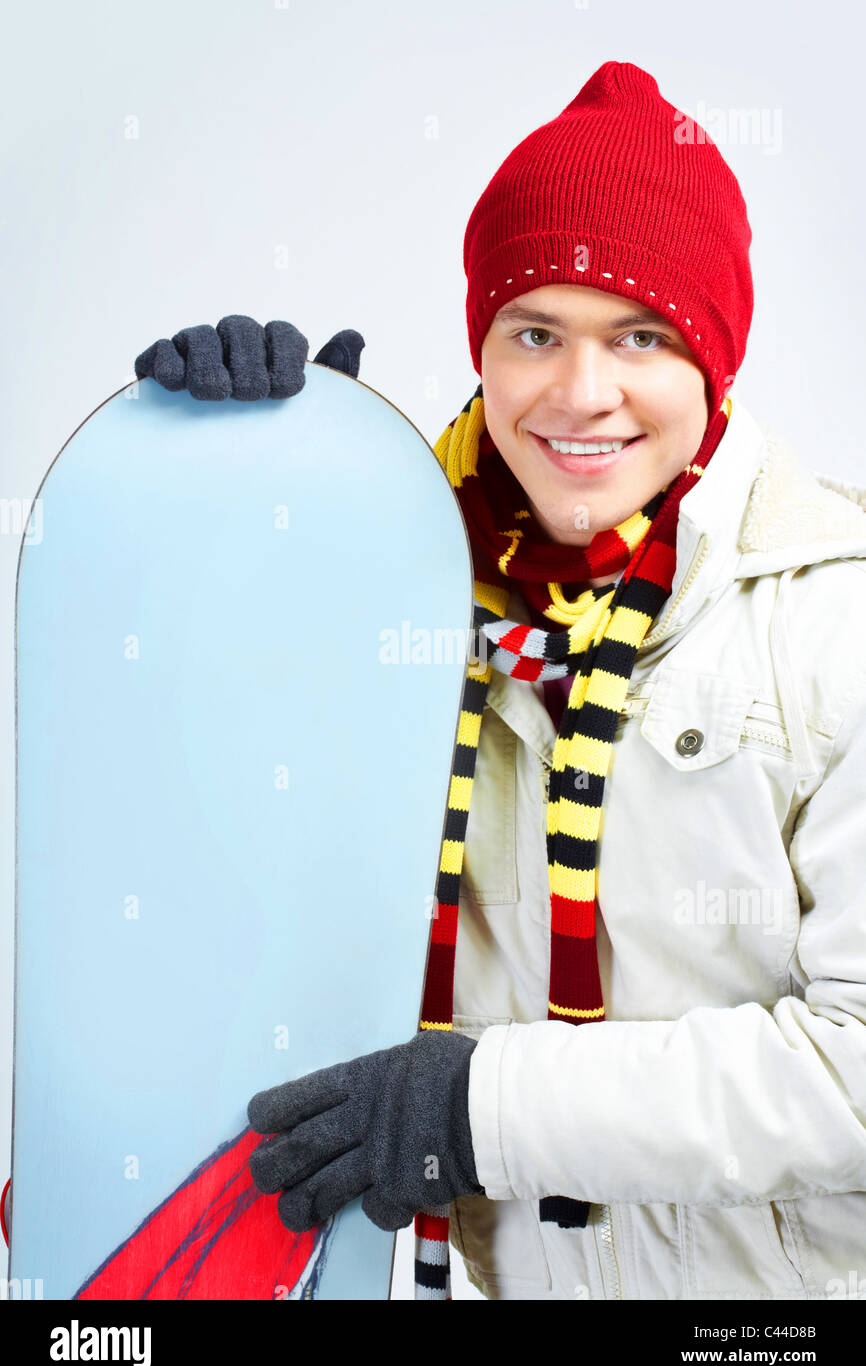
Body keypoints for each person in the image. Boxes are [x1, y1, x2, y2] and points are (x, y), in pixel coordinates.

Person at [135, 60, 866, 1302]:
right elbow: (248, 847)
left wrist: (481, 1107)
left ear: (715, 360)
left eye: (639, 337)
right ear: (483, 343)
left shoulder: (830, 620)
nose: (580, 395)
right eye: (536, 333)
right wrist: (250, 504)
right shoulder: (410, 596)